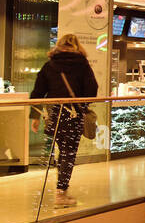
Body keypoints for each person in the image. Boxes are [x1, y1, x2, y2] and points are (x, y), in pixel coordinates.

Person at [30, 34, 99, 207]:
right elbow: (92, 89)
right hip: (72, 114)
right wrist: (83, 105)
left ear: (58, 46)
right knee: (69, 153)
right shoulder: (82, 64)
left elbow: (37, 92)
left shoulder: (50, 65)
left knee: (61, 150)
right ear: (76, 46)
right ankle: (61, 192)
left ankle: (61, 190)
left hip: (54, 114)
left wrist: (35, 116)